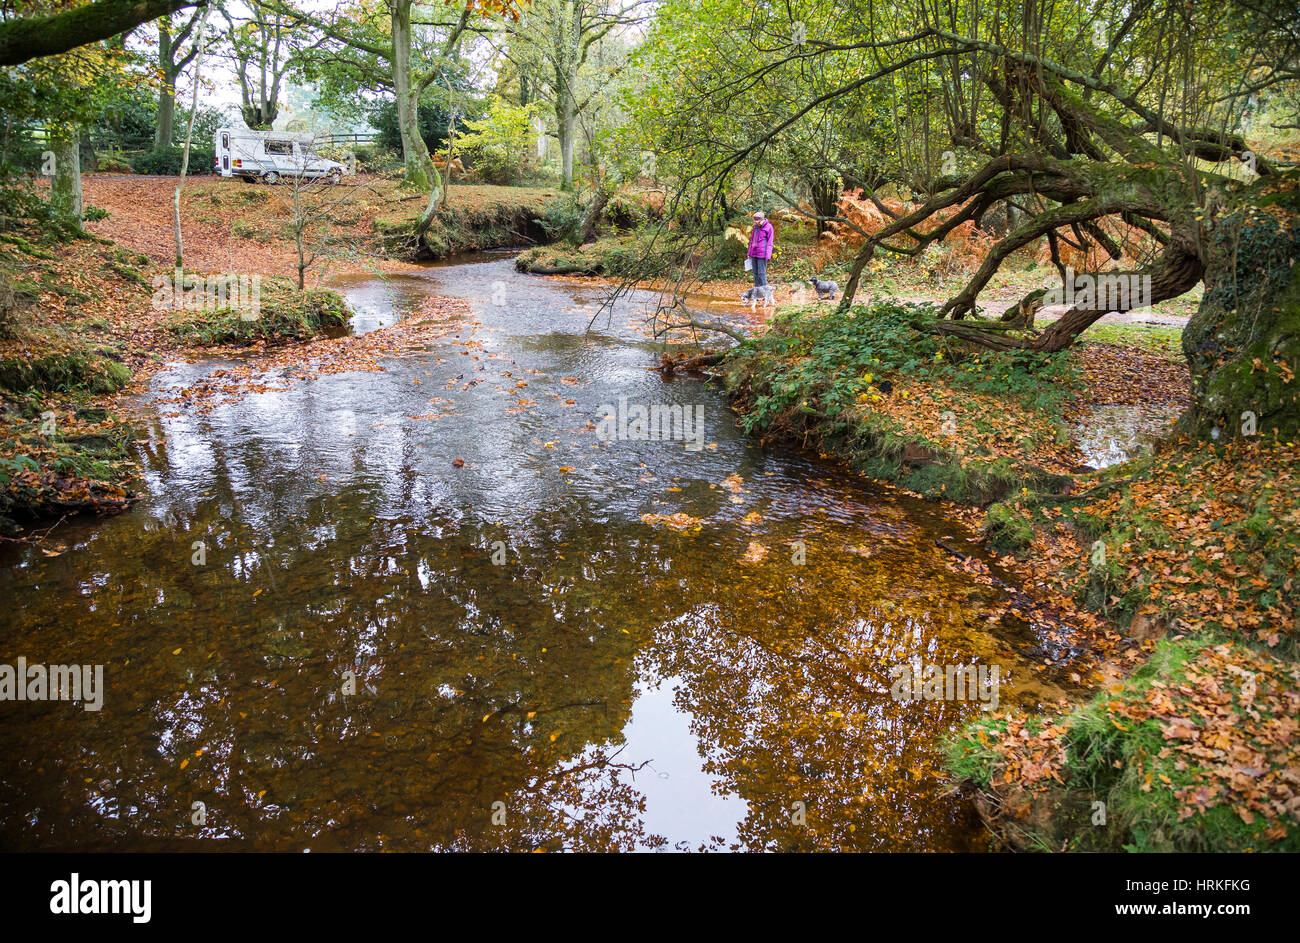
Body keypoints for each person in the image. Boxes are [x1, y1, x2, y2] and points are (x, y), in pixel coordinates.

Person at [747, 210, 774, 289]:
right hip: (754, 253)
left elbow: (770, 242)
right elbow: (752, 240)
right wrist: (749, 253)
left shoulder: (769, 227)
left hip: (762, 254)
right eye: (755, 221)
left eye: (758, 221)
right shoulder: (755, 227)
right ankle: (758, 293)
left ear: (763, 219)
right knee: (755, 274)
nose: (757, 223)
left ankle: (764, 292)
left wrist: (768, 255)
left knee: (761, 274)